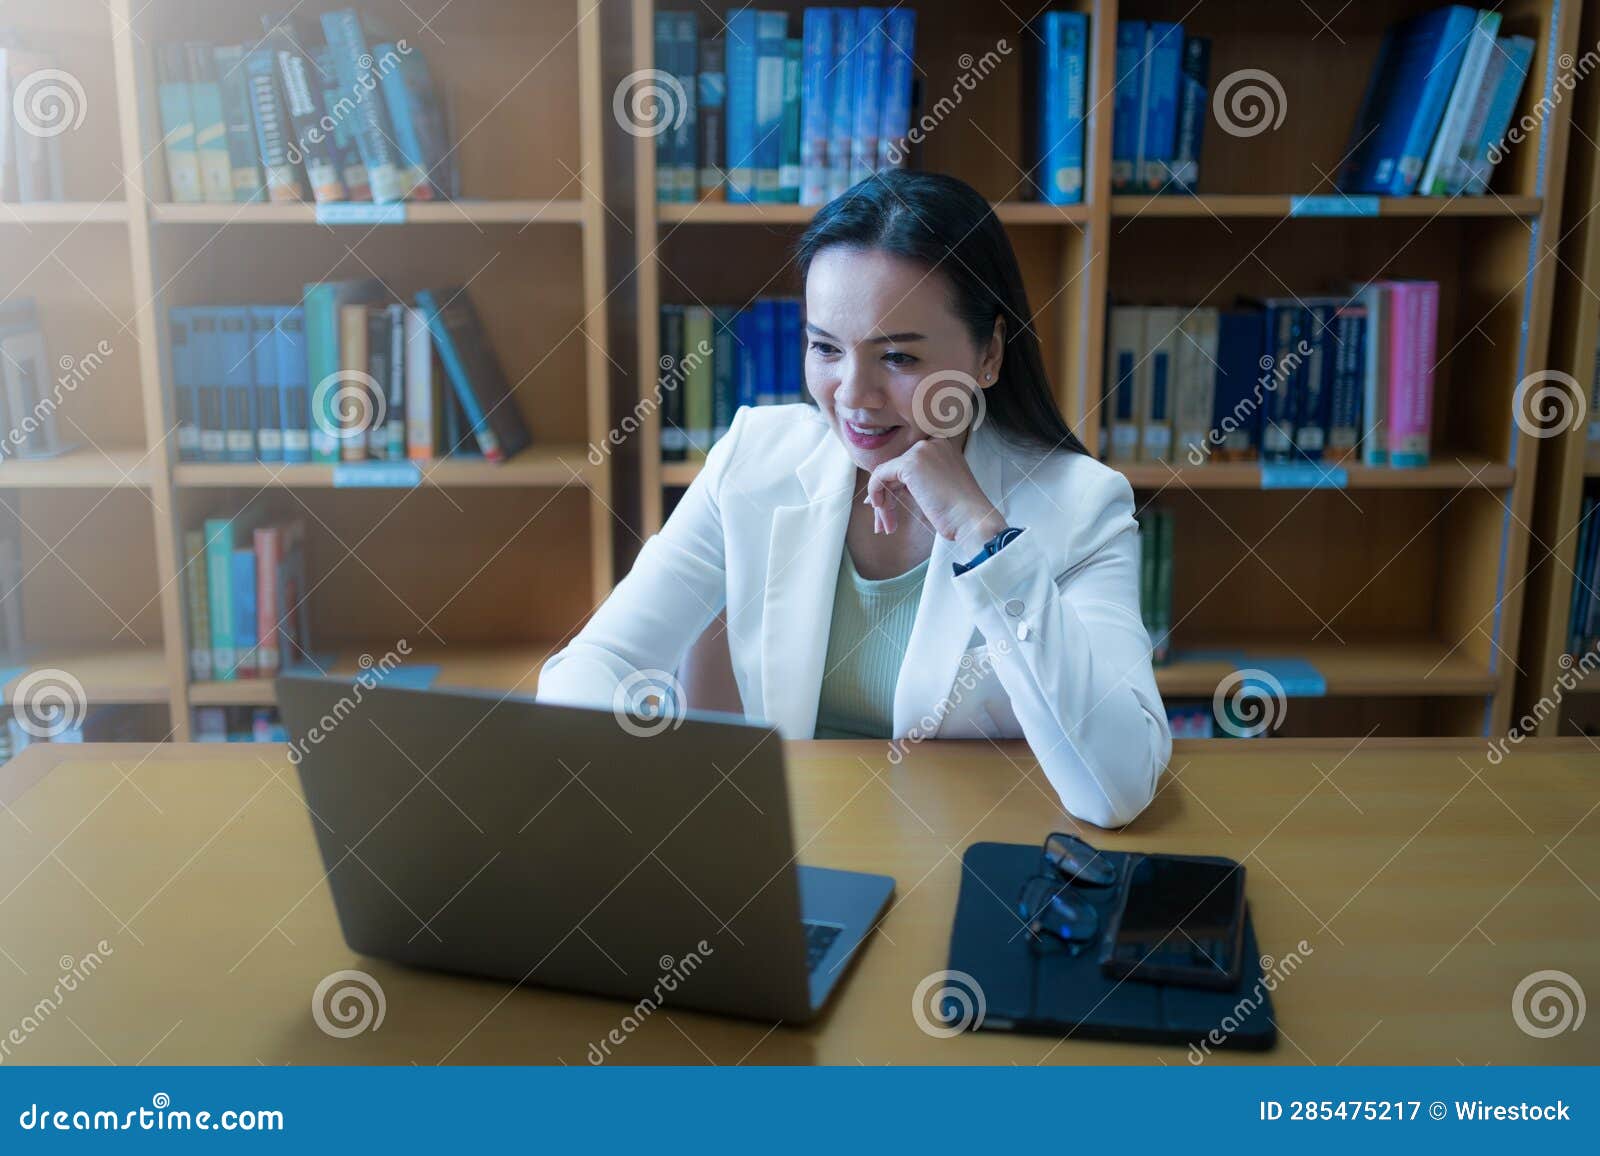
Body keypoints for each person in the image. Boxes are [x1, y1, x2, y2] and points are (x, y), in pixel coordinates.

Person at [539, 170, 1168, 828]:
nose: (852, 394)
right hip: (793, 856)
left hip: (963, 855)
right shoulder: (756, 456)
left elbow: (1116, 789)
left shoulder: (1082, 507)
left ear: (988, 354)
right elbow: (603, 659)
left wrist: (983, 537)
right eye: (825, 348)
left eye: (896, 357)